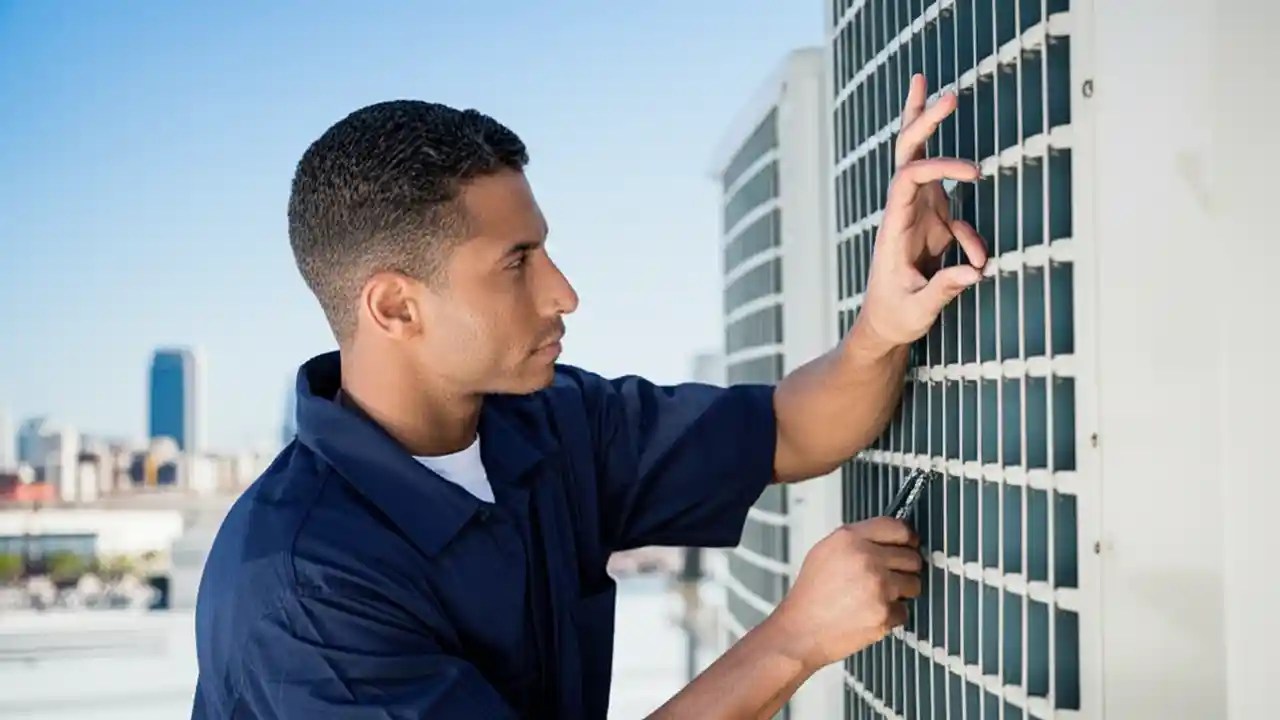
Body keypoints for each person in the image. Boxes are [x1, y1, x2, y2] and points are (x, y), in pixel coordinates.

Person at [191, 72, 986, 719]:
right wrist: (795, 638)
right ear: (396, 306)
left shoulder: (545, 423)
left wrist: (881, 326)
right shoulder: (302, 591)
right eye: (517, 262)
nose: (564, 293)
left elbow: (793, 427)